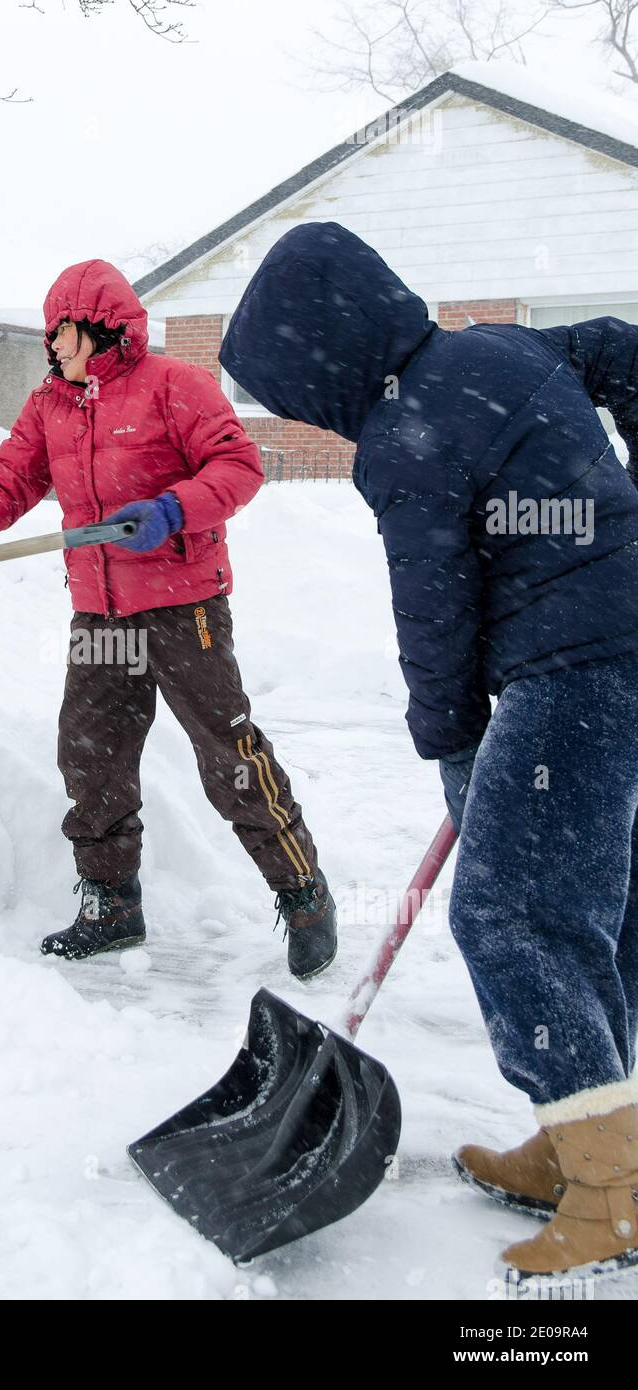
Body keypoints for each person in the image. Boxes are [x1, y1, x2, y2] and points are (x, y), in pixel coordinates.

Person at [220, 221, 638, 1284]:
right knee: (600, 910)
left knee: (512, 912)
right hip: (618, 655)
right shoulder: (500, 349)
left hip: (580, 674)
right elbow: (624, 349)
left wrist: (452, 739)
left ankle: (613, 1192)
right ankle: (591, 1134)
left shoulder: (404, 437)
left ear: (324, 357)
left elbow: (436, 611)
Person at [0, 258, 336, 980]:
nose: (52, 348)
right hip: (99, 611)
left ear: (96, 325)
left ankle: (303, 896)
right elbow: (5, 481)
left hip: (183, 604)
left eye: (59, 332)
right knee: (89, 754)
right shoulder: (50, 406)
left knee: (227, 757)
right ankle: (111, 905)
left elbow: (238, 468)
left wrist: (170, 511)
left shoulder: (174, 387)